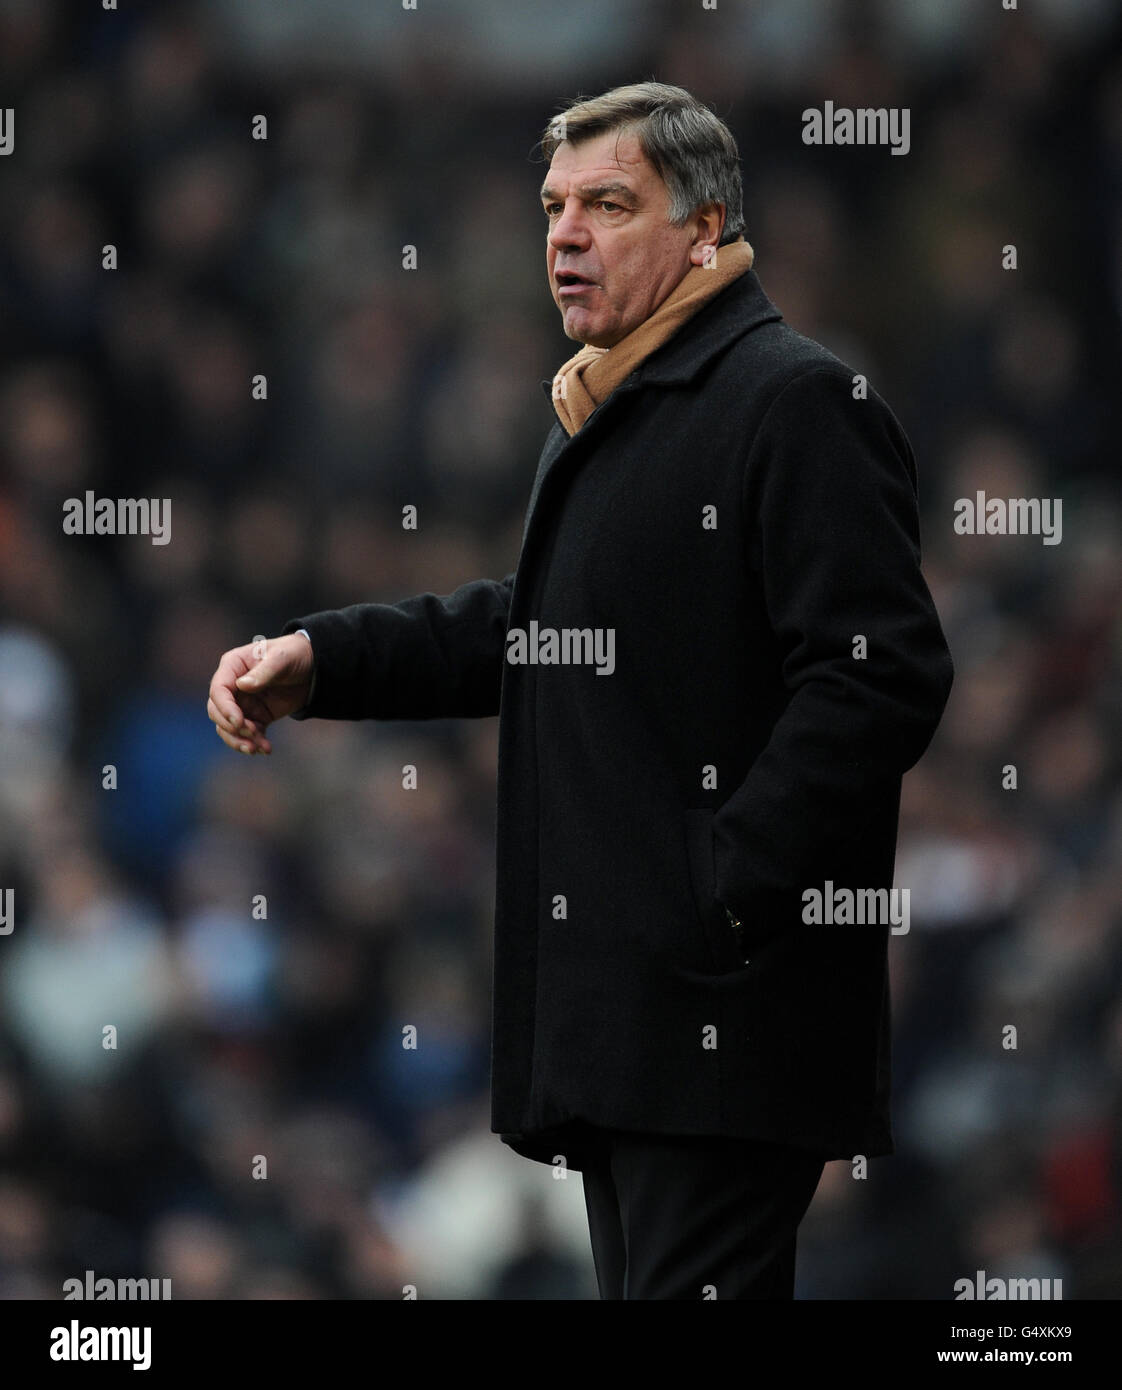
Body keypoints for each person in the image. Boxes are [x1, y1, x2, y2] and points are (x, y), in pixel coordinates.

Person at [207, 82, 954, 1300]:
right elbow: (539, 629)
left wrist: (726, 886)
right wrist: (326, 658)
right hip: (627, 1022)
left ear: (703, 228)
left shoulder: (794, 401)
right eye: (554, 206)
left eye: (609, 204)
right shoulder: (608, 409)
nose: (564, 233)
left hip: (723, 1021)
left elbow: (884, 673)